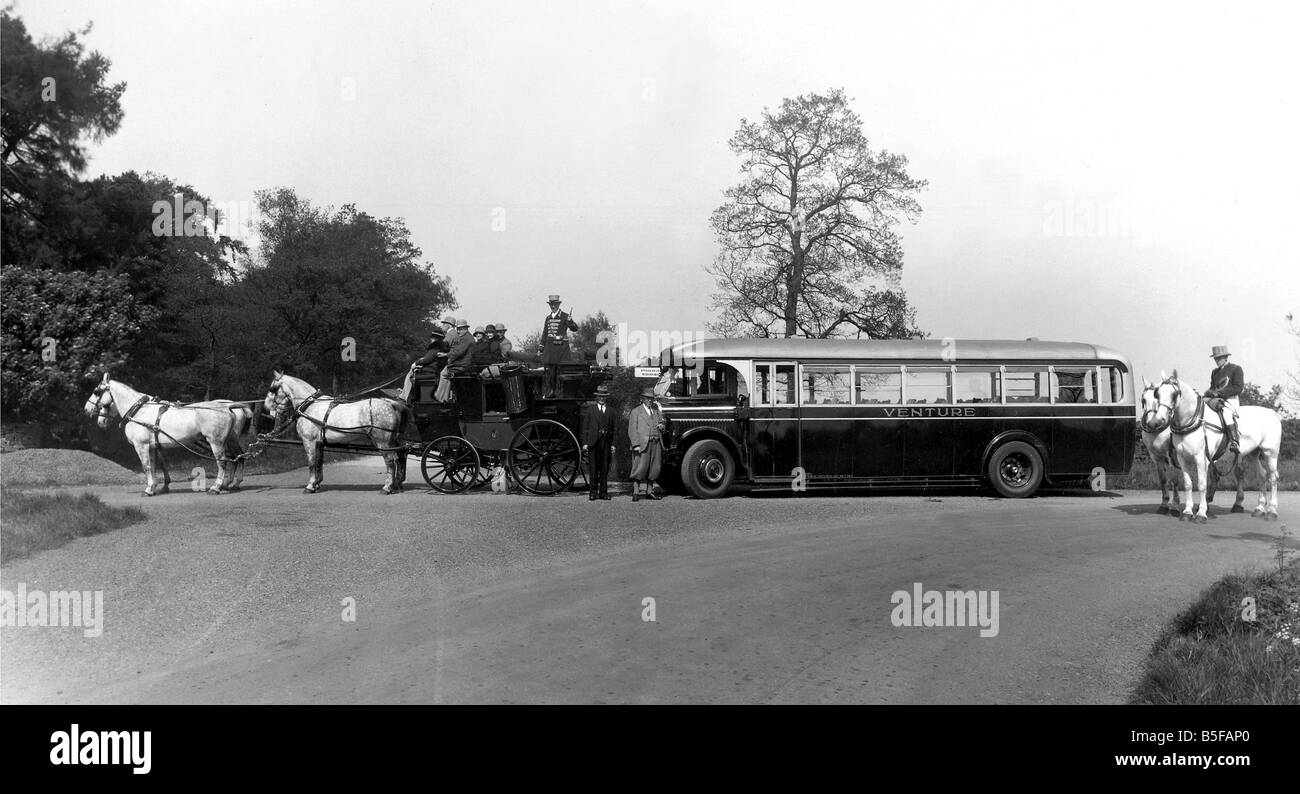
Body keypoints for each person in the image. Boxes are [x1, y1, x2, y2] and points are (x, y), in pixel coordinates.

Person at [628, 386, 665, 501]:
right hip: (642, 445)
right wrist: (636, 444)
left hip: (656, 443)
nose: (650, 400)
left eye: (651, 399)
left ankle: (650, 492)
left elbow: (662, 425)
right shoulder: (636, 411)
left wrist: (662, 426)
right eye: (647, 398)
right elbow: (632, 429)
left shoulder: (656, 412)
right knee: (640, 468)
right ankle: (636, 492)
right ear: (642, 399)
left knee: (654, 468)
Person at [581, 383, 616, 500]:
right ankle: (593, 492)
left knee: (604, 469)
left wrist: (613, 444)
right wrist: (585, 443)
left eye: (604, 396)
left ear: (606, 397)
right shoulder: (591, 410)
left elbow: (613, 429)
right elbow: (585, 428)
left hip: (606, 443)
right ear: (597, 397)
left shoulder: (611, 411)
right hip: (593, 442)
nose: (602, 398)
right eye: (600, 396)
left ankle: (603, 493)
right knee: (593, 468)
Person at [1206, 344, 1243, 452]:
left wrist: (1220, 393)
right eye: (1215, 358)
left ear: (1226, 357)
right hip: (1217, 400)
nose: (1217, 360)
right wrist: (1209, 392)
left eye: (1219, 358)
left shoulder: (1236, 369)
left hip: (1231, 400)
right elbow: (1213, 387)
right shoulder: (1214, 372)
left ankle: (1234, 441)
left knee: (1226, 414)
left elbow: (1238, 388)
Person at [540, 295, 578, 398]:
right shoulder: (548, 318)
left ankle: (561, 392)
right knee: (550, 371)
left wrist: (570, 322)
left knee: (561, 370)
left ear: (558, 305)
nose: (553, 306)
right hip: (550, 348)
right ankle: (551, 391)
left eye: (554, 304)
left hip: (561, 348)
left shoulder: (565, 316)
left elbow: (575, 328)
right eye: (551, 304)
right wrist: (541, 348)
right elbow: (545, 333)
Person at [400, 327, 447, 400]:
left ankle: (406, 396)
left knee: (410, 374)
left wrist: (416, 363)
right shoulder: (441, 347)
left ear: (435, 339)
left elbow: (426, 360)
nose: (431, 339)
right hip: (435, 369)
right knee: (412, 372)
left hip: (431, 370)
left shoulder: (435, 348)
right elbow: (428, 358)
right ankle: (408, 394)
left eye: (432, 338)